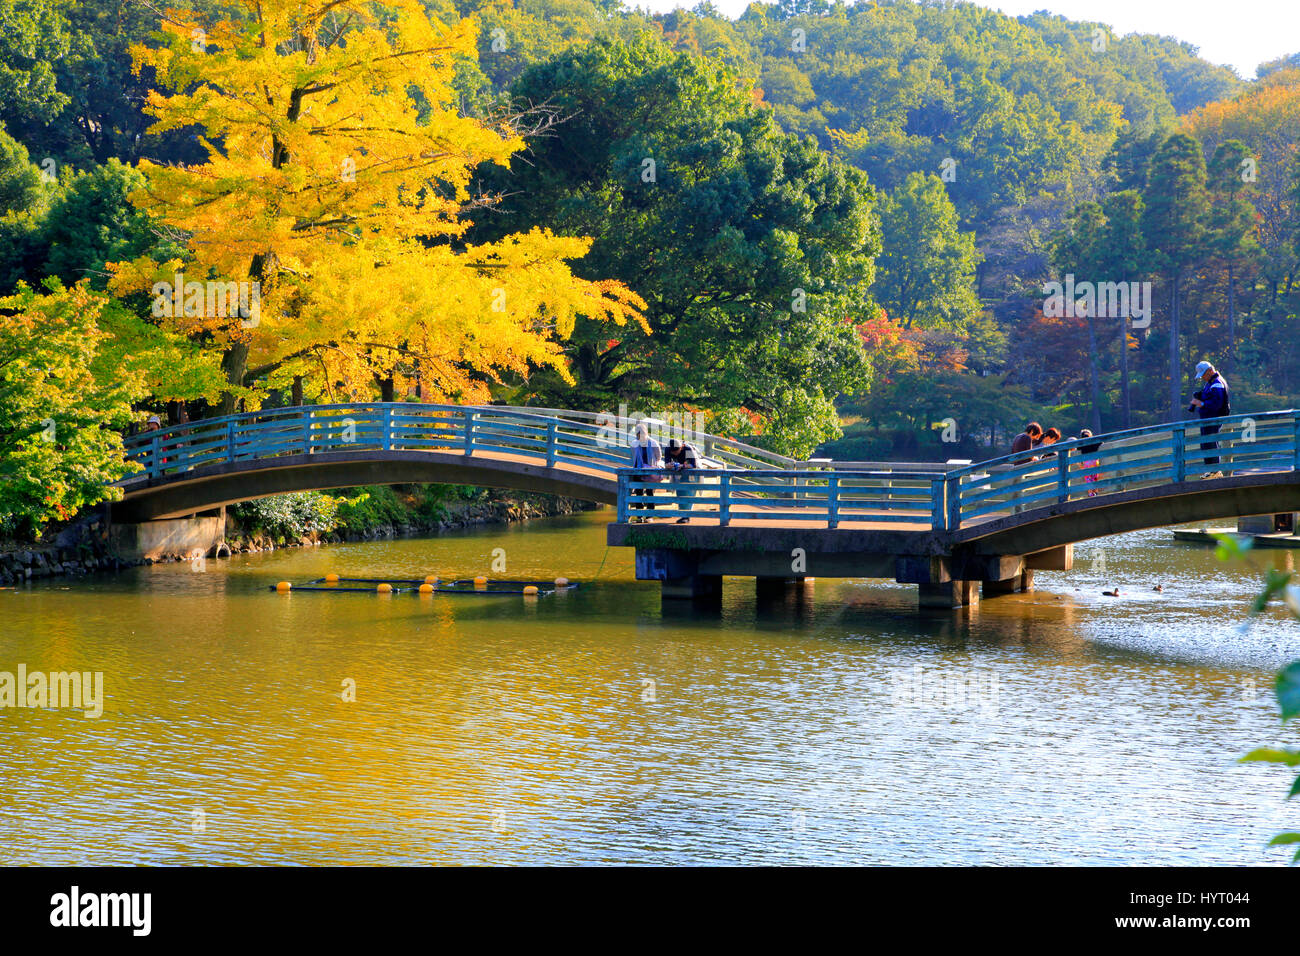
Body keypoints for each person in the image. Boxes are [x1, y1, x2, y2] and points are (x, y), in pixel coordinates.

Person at [1189, 360, 1229, 478]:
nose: (1203, 378)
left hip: (1213, 418)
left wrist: (1200, 403)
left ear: (1210, 371)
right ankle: (1210, 471)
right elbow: (1209, 397)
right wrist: (1200, 396)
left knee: (1211, 442)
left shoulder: (1217, 383)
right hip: (1208, 419)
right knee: (1206, 444)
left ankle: (1215, 471)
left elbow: (1215, 405)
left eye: (1204, 375)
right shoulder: (1211, 383)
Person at [629, 422, 663, 522]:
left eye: (642, 433)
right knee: (638, 493)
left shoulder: (653, 443)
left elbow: (658, 456)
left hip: (650, 470)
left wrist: (650, 464)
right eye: (638, 434)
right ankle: (639, 515)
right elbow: (633, 457)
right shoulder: (634, 443)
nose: (640, 435)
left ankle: (649, 516)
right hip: (638, 471)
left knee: (650, 492)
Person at [663, 438, 700, 523]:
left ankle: (686, 516)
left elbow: (693, 465)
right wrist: (669, 465)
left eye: (677, 451)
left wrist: (682, 466)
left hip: (693, 471)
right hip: (679, 473)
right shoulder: (668, 449)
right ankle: (684, 516)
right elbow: (666, 463)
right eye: (673, 452)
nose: (675, 453)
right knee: (680, 492)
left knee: (690, 493)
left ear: (682, 447)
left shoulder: (688, 449)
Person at [1077, 428, 1102, 496]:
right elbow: (1101, 442)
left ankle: (1091, 493)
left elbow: (1077, 449)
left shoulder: (1081, 444)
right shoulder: (1093, 443)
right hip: (1094, 461)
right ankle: (1096, 492)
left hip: (1087, 463)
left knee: (1088, 478)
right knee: (1095, 477)